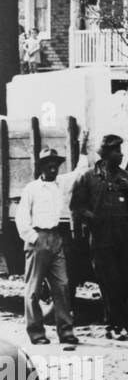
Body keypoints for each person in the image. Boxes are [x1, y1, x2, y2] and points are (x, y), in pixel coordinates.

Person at [70, 133, 128, 340]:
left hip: (123, 238)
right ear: (105, 154)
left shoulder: (126, 177)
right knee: (108, 282)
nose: (121, 155)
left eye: (120, 150)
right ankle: (114, 325)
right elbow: (76, 206)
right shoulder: (88, 177)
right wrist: (93, 219)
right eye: (116, 151)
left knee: (123, 281)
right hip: (101, 239)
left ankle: (124, 323)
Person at [17, 146, 77, 347]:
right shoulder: (32, 189)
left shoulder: (61, 185)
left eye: (56, 165)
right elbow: (22, 217)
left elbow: (79, 171)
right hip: (39, 238)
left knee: (62, 286)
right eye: (48, 165)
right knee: (34, 289)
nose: (53, 168)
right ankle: (36, 333)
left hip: (56, 237)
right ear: (41, 167)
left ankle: (66, 332)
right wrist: (33, 238)